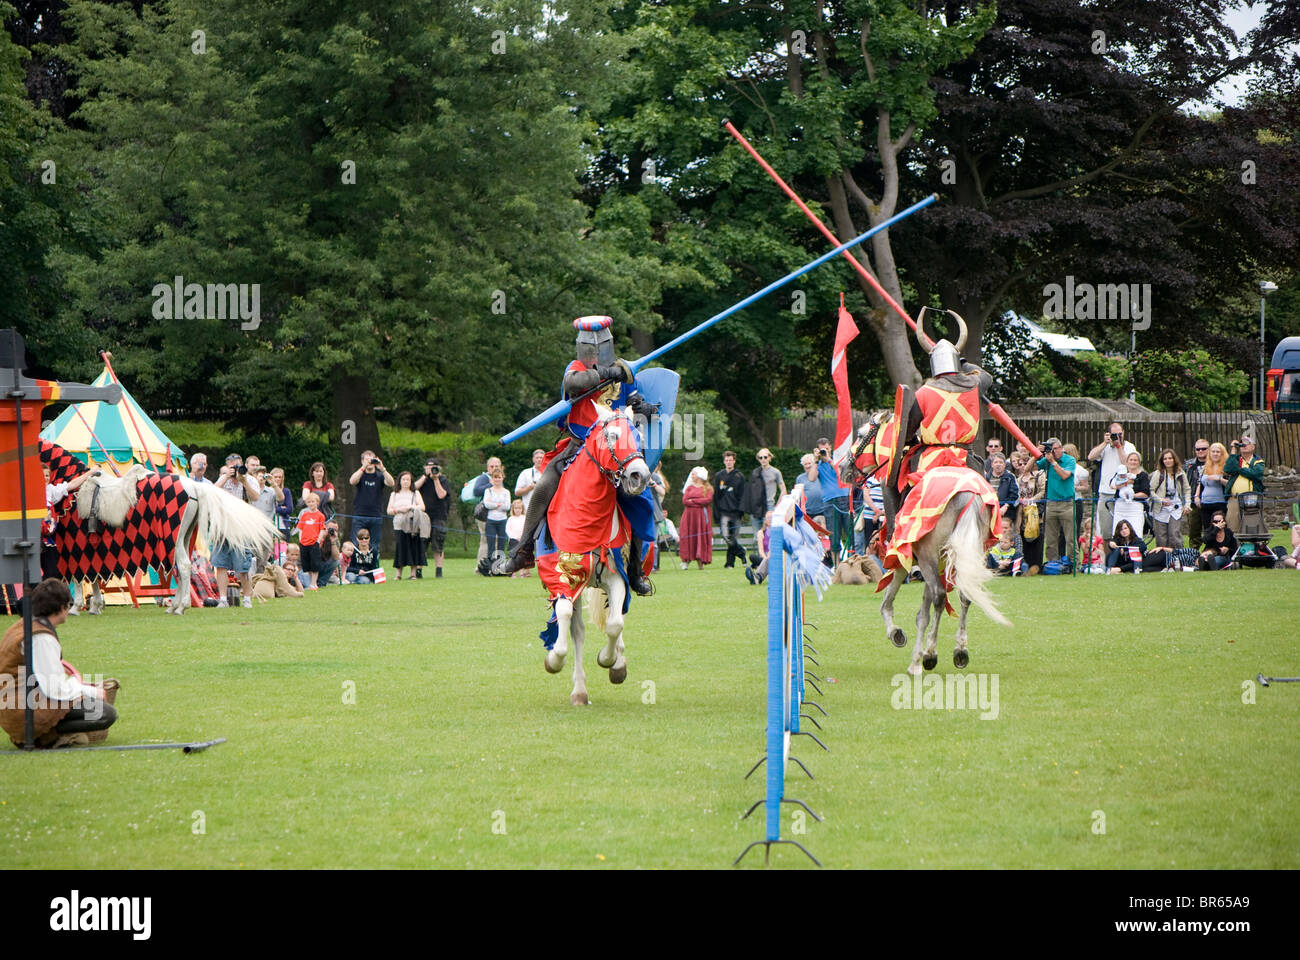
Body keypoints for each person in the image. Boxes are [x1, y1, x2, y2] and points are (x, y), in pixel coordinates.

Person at [495, 316, 659, 596]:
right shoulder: (577, 368)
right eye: (589, 346)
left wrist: (643, 406)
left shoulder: (624, 371)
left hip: (614, 449)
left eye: (599, 344)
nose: (595, 349)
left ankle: (633, 569)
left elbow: (632, 401)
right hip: (580, 445)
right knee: (546, 482)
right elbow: (573, 384)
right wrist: (607, 374)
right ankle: (523, 549)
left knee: (638, 497)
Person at [0, 579, 117, 748]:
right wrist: (90, 691)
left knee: (89, 704)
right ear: (62, 608)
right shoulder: (42, 638)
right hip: (22, 711)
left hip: (15, 705)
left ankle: (48, 735)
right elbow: (54, 689)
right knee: (104, 713)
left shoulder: (24, 625)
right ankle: (46, 737)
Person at [212, 453, 260, 607]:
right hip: (223, 525)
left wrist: (244, 481)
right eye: (232, 466)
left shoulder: (250, 479)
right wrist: (226, 477)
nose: (236, 469)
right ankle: (223, 599)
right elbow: (211, 493)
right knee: (220, 563)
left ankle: (246, 598)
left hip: (241, 526)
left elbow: (255, 497)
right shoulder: (223, 478)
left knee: (243, 565)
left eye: (238, 466)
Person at [42, 462, 93, 581]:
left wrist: (90, 473)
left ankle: (50, 598)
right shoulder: (28, 492)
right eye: (42, 475)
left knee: (52, 572)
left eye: (47, 475)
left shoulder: (50, 490)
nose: (45, 478)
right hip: (33, 538)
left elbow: (71, 485)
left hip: (48, 539)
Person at [1087, 422, 1137, 537]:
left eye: (1120, 434)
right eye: (1115, 434)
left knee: (1124, 531)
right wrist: (1105, 443)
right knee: (1105, 532)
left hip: (1123, 493)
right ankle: (1107, 555)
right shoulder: (1106, 447)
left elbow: (1128, 465)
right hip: (1105, 492)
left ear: (1123, 433)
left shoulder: (1129, 446)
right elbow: (1091, 457)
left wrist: (1119, 446)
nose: (1118, 437)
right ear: (1108, 434)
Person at [1036, 437, 1077, 565]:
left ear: (1061, 448)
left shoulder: (1070, 460)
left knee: (1070, 538)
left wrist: (1053, 462)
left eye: (1055, 449)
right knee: (1051, 539)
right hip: (1051, 503)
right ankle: (1052, 564)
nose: (1053, 452)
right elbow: (1028, 468)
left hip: (1067, 503)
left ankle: (1074, 564)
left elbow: (1065, 475)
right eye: (1050, 450)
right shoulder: (1047, 459)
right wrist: (1036, 453)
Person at [815, 437, 852, 560]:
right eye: (821, 450)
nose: (823, 452)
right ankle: (837, 565)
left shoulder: (837, 459)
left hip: (844, 498)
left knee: (849, 531)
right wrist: (816, 460)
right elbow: (811, 478)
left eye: (825, 449)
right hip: (829, 501)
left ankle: (853, 560)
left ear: (830, 447)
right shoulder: (818, 464)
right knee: (833, 534)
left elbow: (841, 472)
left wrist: (829, 460)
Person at [1149, 448, 1191, 551]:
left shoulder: (1180, 473)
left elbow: (1187, 489)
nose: (1167, 461)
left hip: (1175, 508)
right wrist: (1161, 500)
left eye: (1170, 458)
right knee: (1161, 537)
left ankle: (1178, 559)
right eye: (1165, 459)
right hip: (1160, 509)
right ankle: (1162, 560)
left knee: (1174, 535)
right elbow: (1150, 491)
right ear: (1162, 461)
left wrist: (1187, 505)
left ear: (1174, 459)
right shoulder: (1158, 474)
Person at [414, 458, 450, 578]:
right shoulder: (422, 479)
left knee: (438, 543)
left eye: (434, 466)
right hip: (424, 515)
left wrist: (436, 479)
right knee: (421, 542)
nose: (431, 468)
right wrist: (425, 476)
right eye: (428, 466)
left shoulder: (443, 480)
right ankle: (418, 571)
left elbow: (441, 495)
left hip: (439, 516)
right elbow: (413, 488)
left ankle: (438, 571)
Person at [349, 451, 393, 547]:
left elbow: (391, 483)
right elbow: (352, 481)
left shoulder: (380, 476)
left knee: (374, 545)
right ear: (362, 461)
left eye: (371, 459)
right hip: (360, 515)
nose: (369, 462)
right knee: (355, 543)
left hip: (376, 515)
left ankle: (373, 562)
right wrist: (363, 467)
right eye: (366, 459)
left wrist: (382, 469)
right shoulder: (360, 475)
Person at [387, 471, 425, 580]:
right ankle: (398, 574)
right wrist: (399, 509)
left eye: (408, 479)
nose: (405, 481)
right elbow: (389, 510)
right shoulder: (394, 494)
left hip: (412, 525)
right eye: (403, 479)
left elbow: (422, 506)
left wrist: (411, 507)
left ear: (411, 481)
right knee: (400, 548)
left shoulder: (415, 493)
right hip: (399, 524)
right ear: (399, 481)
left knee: (413, 547)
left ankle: (413, 574)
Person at [1224, 435, 1265, 534]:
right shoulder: (1236, 459)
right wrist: (1233, 450)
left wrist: (1238, 469)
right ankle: (1235, 549)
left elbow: (1256, 474)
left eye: (1247, 443)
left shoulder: (1258, 461)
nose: (1244, 445)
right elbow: (1228, 469)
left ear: (1253, 447)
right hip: (1234, 498)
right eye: (1242, 443)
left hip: (1252, 499)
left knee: (1251, 527)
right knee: (1232, 528)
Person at [713, 451, 747, 569]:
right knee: (726, 536)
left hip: (736, 511)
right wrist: (716, 512)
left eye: (730, 460)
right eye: (726, 460)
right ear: (724, 461)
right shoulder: (719, 476)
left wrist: (741, 511)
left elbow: (743, 495)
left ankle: (729, 563)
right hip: (723, 511)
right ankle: (742, 552)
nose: (728, 462)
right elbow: (716, 495)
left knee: (733, 537)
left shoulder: (740, 476)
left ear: (734, 461)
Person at [469, 455, 503, 571]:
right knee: (485, 540)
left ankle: (494, 566)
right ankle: (480, 566)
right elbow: (476, 491)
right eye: (492, 466)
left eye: (497, 466)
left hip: (498, 516)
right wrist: (491, 484)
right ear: (488, 467)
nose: (494, 468)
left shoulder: (499, 478)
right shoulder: (484, 478)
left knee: (497, 540)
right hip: (484, 516)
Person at [1013, 452, 1045, 575]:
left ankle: (1036, 566)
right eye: (1020, 463)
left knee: (1036, 535)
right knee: (1022, 536)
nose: (1022, 466)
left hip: (1035, 511)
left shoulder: (1038, 475)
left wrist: (1031, 500)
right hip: (1021, 513)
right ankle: (1025, 566)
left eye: (1025, 463)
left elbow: (1042, 491)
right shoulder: (1017, 479)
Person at [745, 448, 786, 539]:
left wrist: (777, 505)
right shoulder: (755, 472)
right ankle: (759, 553)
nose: (763, 459)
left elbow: (783, 490)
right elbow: (750, 491)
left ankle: (768, 553)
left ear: (770, 458)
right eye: (760, 457)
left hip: (769, 506)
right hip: (756, 507)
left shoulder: (776, 472)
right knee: (757, 535)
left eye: (765, 457)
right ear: (758, 459)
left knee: (769, 534)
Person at [678, 466, 714, 569]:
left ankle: (701, 559)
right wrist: (698, 501)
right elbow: (685, 501)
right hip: (689, 516)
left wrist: (693, 501)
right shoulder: (689, 488)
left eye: (694, 474)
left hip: (701, 517)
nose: (692, 476)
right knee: (688, 535)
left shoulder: (708, 488)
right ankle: (686, 559)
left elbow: (707, 500)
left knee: (700, 536)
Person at [1109, 450, 1149, 539]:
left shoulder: (1142, 475)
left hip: (1135, 507)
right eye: (1131, 460)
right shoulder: (1120, 473)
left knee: (1136, 532)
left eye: (1135, 460)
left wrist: (1131, 496)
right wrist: (1126, 483)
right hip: (1120, 507)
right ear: (1127, 462)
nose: (1133, 462)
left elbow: (1146, 493)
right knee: (1118, 533)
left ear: (1139, 462)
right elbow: (1113, 485)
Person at [294, 491, 328, 590]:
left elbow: (322, 529)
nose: (311, 504)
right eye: (309, 502)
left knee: (315, 564)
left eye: (313, 502)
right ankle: (312, 582)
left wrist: (318, 540)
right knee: (307, 564)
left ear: (317, 502)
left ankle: (314, 583)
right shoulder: (304, 515)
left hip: (314, 543)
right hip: (304, 542)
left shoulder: (320, 516)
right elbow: (300, 528)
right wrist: (300, 539)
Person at [1195, 442, 1229, 534]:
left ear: (1222, 453)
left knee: (1219, 529)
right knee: (1207, 529)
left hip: (1220, 503)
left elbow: (1231, 484)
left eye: (1218, 452)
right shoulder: (1206, 466)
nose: (1215, 454)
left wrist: (1219, 479)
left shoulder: (1226, 467)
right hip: (1205, 504)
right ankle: (1209, 548)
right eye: (1213, 451)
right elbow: (1200, 483)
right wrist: (1197, 496)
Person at [1183, 438, 1210, 547]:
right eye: (1198, 449)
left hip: (1210, 500)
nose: (1200, 451)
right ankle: (1193, 555)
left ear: (1208, 449)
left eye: (1203, 449)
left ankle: (1210, 554)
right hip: (1194, 502)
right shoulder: (1189, 465)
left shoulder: (1214, 462)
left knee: (1211, 529)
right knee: (1194, 531)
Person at [482, 467, 511, 563]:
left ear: (503, 477)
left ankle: (500, 566)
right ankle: (490, 566)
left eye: (499, 477)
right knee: (491, 545)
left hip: (502, 520)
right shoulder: (488, 491)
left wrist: (494, 504)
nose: (497, 479)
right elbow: (487, 504)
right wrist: (498, 505)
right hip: (491, 520)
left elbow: (507, 506)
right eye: (495, 477)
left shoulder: (506, 492)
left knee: (501, 545)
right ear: (492, 478)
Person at [744, 511, 774, 585]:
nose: (770, 519)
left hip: (774, 557)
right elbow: (761, 551)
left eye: (772, 518)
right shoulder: (761, 532)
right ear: (765, 520)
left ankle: (756, 576)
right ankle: (758, 572)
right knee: (752, 557)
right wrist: (766, 559)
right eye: (768, 518)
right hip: (764, 557)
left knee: (769, 560)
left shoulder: (778, 531)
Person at [515, 449, 546, 513]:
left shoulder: (549, 472)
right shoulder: (525, 473)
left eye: (541, 458)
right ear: (533, 459)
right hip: (528, 511)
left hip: (545, 510)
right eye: (537, 458)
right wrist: (530, 488)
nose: (539, 460)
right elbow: (517, 492)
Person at [799, 454, 826, 524]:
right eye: (805, 464)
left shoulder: (821, 475)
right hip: (807, 511)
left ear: (813, 464)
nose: (808, 466)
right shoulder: (800, 478)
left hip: (822, 510)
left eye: (809, 463)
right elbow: (798, 495)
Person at [505, 500, 529, 577]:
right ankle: (513, 573)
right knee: (513, 557)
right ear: (513, 509)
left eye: (519, 508)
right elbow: (508, 530)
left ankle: (522, 573)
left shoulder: (524, 518)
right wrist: (514, 537)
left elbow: (526, 529)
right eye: (516, 508)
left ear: (522, 509)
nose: (517, 510)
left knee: (522, 557)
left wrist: (522, 537)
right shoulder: (511, 519)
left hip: (522, 540)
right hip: (513, 541)